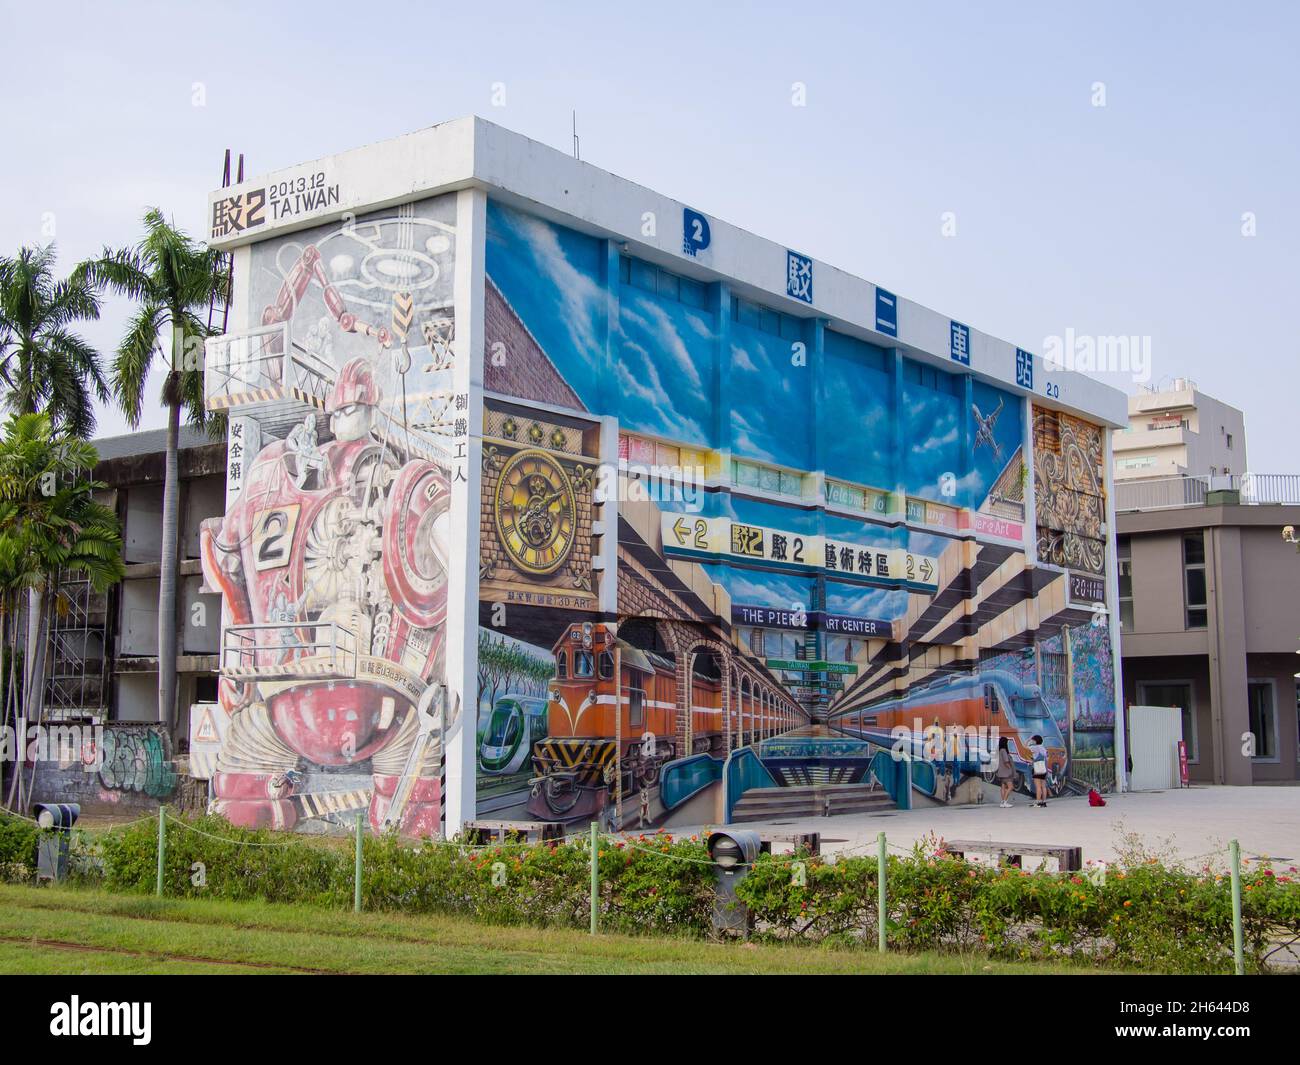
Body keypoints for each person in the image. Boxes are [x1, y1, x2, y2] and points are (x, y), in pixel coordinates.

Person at [1028, 734, 1049, 808]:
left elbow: (1026, 747)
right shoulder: (1043, 749)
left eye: (1033, 740)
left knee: (1038, 787)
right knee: (1043, 786)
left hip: (1037, 769)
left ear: (1035, 741)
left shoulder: (1034, 748)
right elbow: (1046, 759)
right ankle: (1044, 802)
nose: (1032, 741)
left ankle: (1038, 802)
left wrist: (1029, 741)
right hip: (1043, 769)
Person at [995, 736, 1015, 807]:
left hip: (1001, 772)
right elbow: (1006, 761)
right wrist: (1010, 768)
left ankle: (1002, 802)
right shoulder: (1003, 750)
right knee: (1010, 787)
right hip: (1006, 772)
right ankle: (1005, 802)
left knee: (1003, 787)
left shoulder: (999, 751)